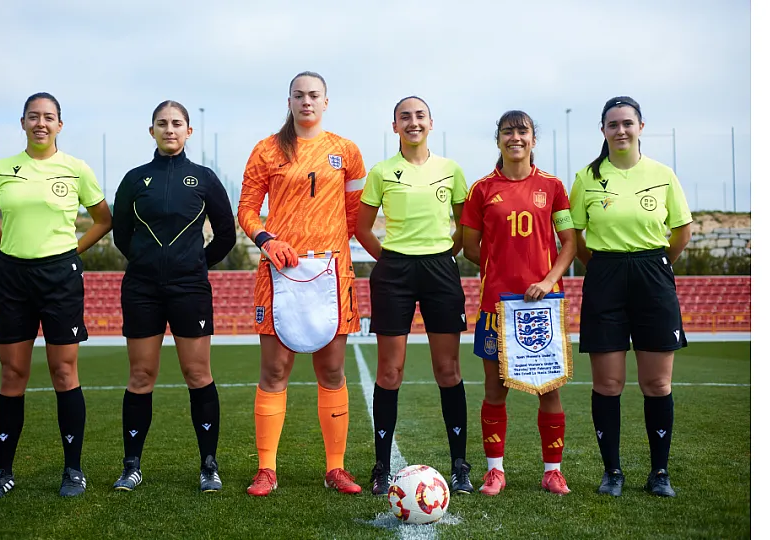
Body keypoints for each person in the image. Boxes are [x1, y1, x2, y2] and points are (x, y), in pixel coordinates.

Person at [0, 92, 112, 499]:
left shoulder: (76, 169)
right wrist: (15, 246)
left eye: (48, 117)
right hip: (13, 276)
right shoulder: (2, 170)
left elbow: (104, 220)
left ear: (59, 125)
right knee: (12, 373)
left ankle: (73, 470)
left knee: (64, 372)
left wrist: (69, 251)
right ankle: (3, 472)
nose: (41, 123)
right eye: (33, 117)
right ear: (22, 123)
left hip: (60, 277)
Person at [238, 71, 366, 496]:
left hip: (331, 272)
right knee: (275, 369)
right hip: (277, 272)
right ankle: (266, 469)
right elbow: (247, 211)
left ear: (326, 102)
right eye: (299, 95)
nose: (306, 101)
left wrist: (326, 250)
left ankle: (336, 468)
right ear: (289, 101)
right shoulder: (267, 150)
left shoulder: (346, 151)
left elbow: (354, 217)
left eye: (314, 95)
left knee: (331, 370)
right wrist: (267, 239)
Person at [110, 100, 237, 493]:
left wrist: (195, 263)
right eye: (162, 124)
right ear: (151, 131)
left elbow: (226, 235)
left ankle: (208, 465)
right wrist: (149, 262)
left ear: (188, 131)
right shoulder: (134, 179)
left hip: (190, 288)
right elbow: (120, 234)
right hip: (142, 289)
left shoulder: (203, 178)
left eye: (177, 123)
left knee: (197, 374)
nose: (170, 129)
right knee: (141, 375)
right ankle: (132, 465)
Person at [569, 96, 692, 498]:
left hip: (652, 276)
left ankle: (660, 473)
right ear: (602, 131)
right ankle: (612, 472)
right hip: (604, 276)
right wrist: (603, 269)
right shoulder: (587, 177)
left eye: (627, 123)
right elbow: (575, 237)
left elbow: (681, 233)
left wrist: (655, 264)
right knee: (608, 383)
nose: (620, 130)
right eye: (612, 124)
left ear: (641, 127)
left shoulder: (663, 174)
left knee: (657, 383)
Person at [354, 96, 472, 496]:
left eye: (419, 115)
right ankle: (381, 466)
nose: (413, 122)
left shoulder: (451, 170)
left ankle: (460, 466)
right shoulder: (382, 172)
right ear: (395, 127)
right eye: (405, 116)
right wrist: (389, 258)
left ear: (431, 123)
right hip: (395, 273)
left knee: (448, 371)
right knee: (390, 372)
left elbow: (466, 227)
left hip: (440, 268)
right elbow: (363, 227)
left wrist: (442, 253)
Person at [461, 110, 577, 496]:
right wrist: (500, 272)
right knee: (495, 391)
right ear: (498, 139)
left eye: (523, 131)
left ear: (533, 139)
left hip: (543, 307)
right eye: (508, 131)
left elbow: (570, 244)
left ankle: (552, 471)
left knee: (550, 389)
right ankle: (495, 471)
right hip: (497, 306)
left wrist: (546, 281)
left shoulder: (554, 186)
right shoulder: (481, 190)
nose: (516, 137)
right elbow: (472, 248)